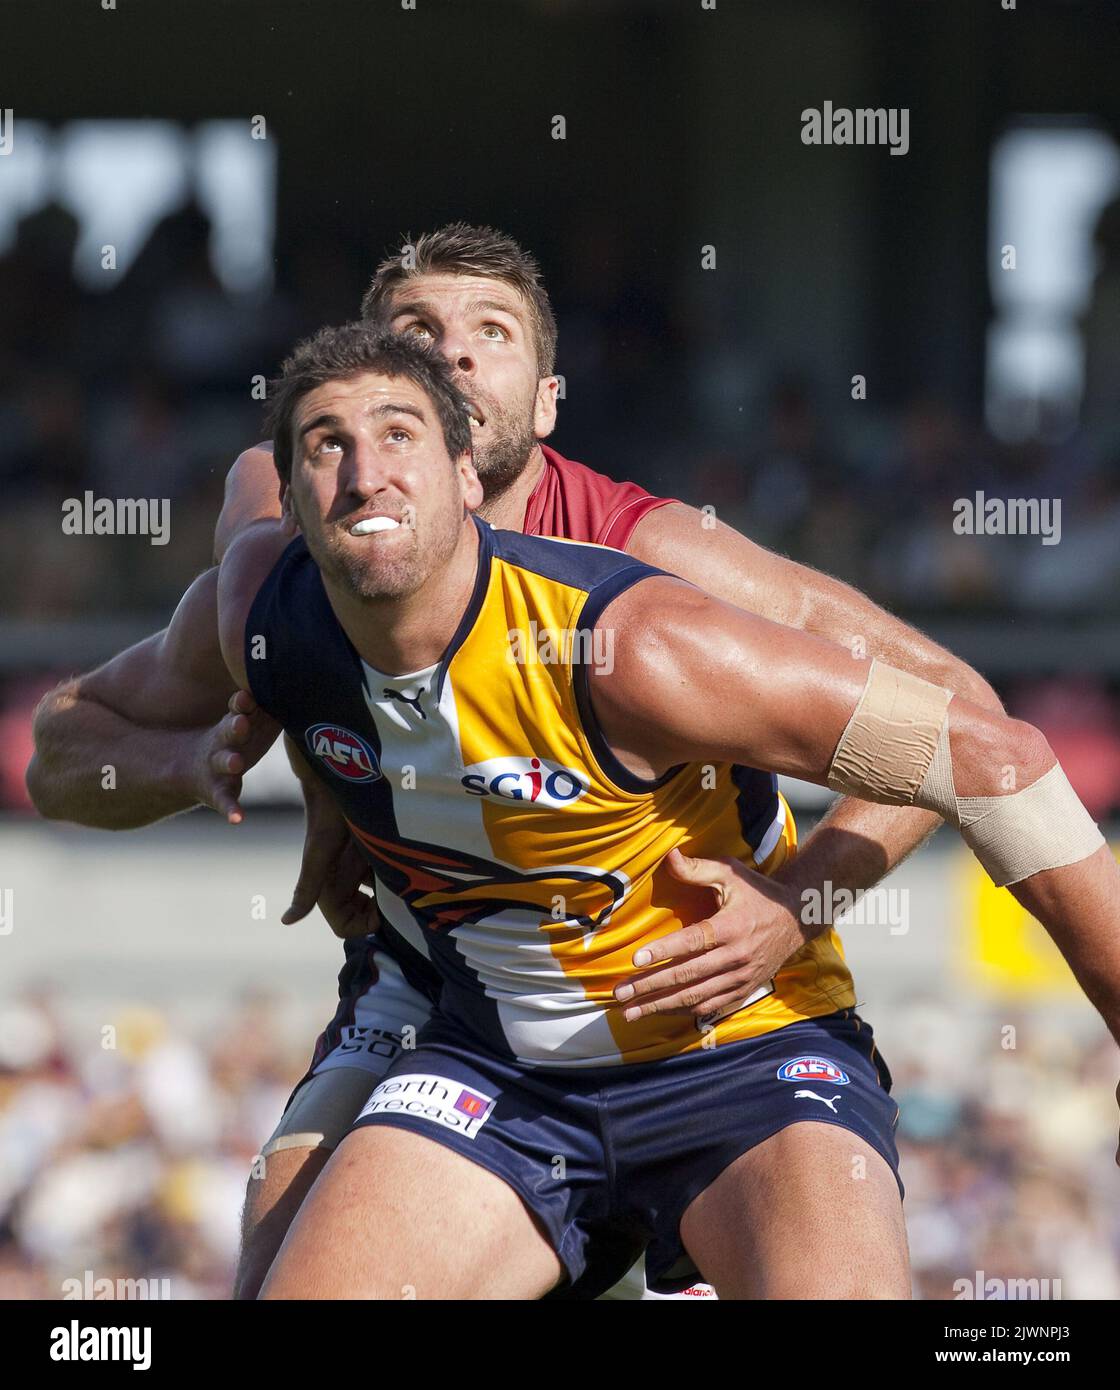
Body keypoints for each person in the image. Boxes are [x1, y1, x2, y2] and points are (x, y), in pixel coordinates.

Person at [28, 224, 1011, 1298]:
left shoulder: (650, 563)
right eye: (415, 333)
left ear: (544, 402)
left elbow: (961, 713)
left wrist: (802, 897)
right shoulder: (300, 545)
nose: (449, 356)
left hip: (712, 1012)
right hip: (443, 998)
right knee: (278, 1242)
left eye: (487, 334)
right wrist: (212, 762)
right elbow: (64, 756)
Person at [212, 320, 1114, 1298]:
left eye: (399, 431)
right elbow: (84, 746)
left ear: (470, 462)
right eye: (327, 444)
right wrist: (245, 760)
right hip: (495, 1066)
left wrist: (801, 899)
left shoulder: (639, 627)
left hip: (742, 1056)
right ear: (294, 499)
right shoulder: (269, 611)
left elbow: (988, 750)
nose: (364, 470)